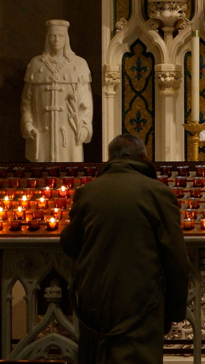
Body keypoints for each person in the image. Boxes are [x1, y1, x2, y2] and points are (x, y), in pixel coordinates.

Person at [60, 134, 189, 363]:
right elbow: (176, 259)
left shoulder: (88, 192)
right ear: (142, 157)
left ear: (110, 158)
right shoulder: (157, 193)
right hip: (141, 300)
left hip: (95, 299)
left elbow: (70, 243)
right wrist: (174, 311)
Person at [21, 20, 93, 162]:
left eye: (60, 36)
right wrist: (27, 124)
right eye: (52, 36)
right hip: (41, 134)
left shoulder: (79, 64)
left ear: (66, 39)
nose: (56, 40)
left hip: (69, 134)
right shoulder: (36, 64)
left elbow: (86, 102)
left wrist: (84, 127)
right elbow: (26, 102)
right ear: (47, 38)